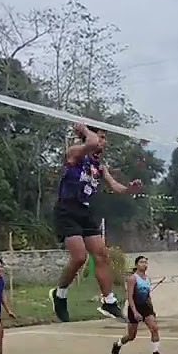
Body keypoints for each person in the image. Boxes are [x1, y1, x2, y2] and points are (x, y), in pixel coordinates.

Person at [50, 123, 142, 323]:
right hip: (67, 209)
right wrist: (83, 129)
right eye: (100, 137)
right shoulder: (75, 153)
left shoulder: (99, 166)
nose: (102, 141)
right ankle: (59, 294)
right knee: (79, 257)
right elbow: (90, 141)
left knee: (101, 254)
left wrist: (128, 189)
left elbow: (115, 186)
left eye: (103, 138)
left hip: (85, 210)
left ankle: (109, 301)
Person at [112, 256, 168, 354]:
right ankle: (117, 344)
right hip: (135, 307)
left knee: (154, 328)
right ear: (136, 265)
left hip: (146, 307)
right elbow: (130, 297)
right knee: (131, 336)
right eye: (142, 262)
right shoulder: (132, 279)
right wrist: (135, 312)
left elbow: (147, 295)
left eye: (146, 262)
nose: (144, 264)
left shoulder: (147, 279)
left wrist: (152, 309)